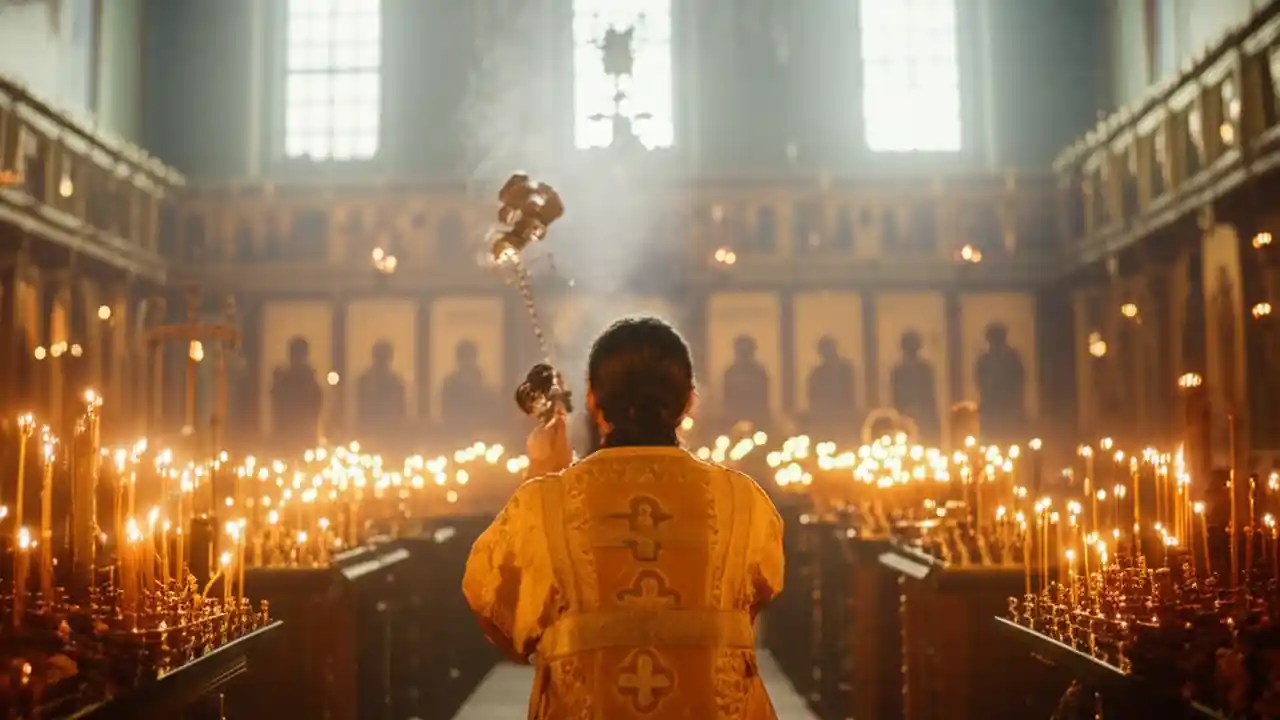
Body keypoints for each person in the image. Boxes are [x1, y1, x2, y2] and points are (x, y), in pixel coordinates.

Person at [463, 317, 784, 719]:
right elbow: (752, 601)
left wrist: (542, 478)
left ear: (594, 402)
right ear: (689, 402)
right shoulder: (744, 501)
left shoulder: (545, 502)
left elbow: (501, 615)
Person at [974, 323, 1026, 443]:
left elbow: (1018, 383)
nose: (994, 343)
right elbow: (979, 382)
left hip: (1009, 411)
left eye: (997, 339)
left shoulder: (1013, 358)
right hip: (991, 410)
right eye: (992, 340)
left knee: (1010, 441)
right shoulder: (984, 360)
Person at [270, 336, 323, 453]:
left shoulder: (308, 376)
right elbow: (276, 401)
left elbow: (316, 403)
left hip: (301, 428)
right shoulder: (284, 376)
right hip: (288, 429)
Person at [890, 330, 940, 444]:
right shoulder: (899, 371)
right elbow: (896, 397)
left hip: (924, 417)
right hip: (910, 417)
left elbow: (929, 395)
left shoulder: (924, 369)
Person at [356, 341, 408, 434]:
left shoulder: (396, 382)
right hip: (371, 429)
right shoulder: (365, 381)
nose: (382, 362)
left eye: (384, 358)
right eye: (380, 358)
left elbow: (401, 410)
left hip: (389, 430)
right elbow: (361, 408)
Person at [723, 335, 771, 429]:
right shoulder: (730, 373)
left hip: (758, 419)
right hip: (734, 419)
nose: (744, 355)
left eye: (747, 351)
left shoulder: (759, 373)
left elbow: (764, 398)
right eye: (741, 351)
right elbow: (726, 399)